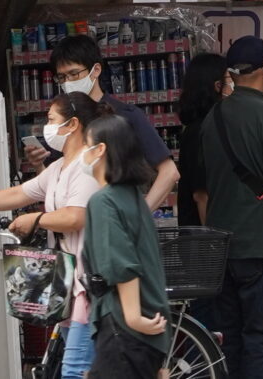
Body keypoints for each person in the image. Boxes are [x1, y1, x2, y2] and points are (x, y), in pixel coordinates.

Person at [0, 95, 108, 378]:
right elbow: (19, 193)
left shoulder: (86, 165)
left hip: (89, 282)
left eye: (52, 120)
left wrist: (36, 219)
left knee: (75, 371)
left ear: (73, 124)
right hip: (69, 282)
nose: (47, 127)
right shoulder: (59, 167)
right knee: (83, 369)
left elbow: (75, 216)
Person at [200, 37, 263, 379]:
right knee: (262, 337)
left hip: (219, 245)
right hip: (259, 242)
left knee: (230, 338)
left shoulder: (211, 119)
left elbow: (202, 189)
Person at [80, 115, 173, 379]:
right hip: (149, 328)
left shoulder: (103, 201)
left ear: (100, 150)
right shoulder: (134, 198)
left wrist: (132, 317)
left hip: (124, 326)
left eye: (87, 145)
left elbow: (121, 264)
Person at [51, 35, 179, 210]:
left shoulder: (127, 116)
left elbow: (169, 172)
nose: (68, 82)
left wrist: (140, 216)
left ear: (95, 70)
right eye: (61, 77)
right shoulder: (66, 123)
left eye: (73, 74)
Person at [174, 51, 233, 228]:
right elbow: (201, 195)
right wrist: (212, 241)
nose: (233, 85)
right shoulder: (200, 131)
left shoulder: (208, 125)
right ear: (217, 86)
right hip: (203, 242)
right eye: (229, 79)